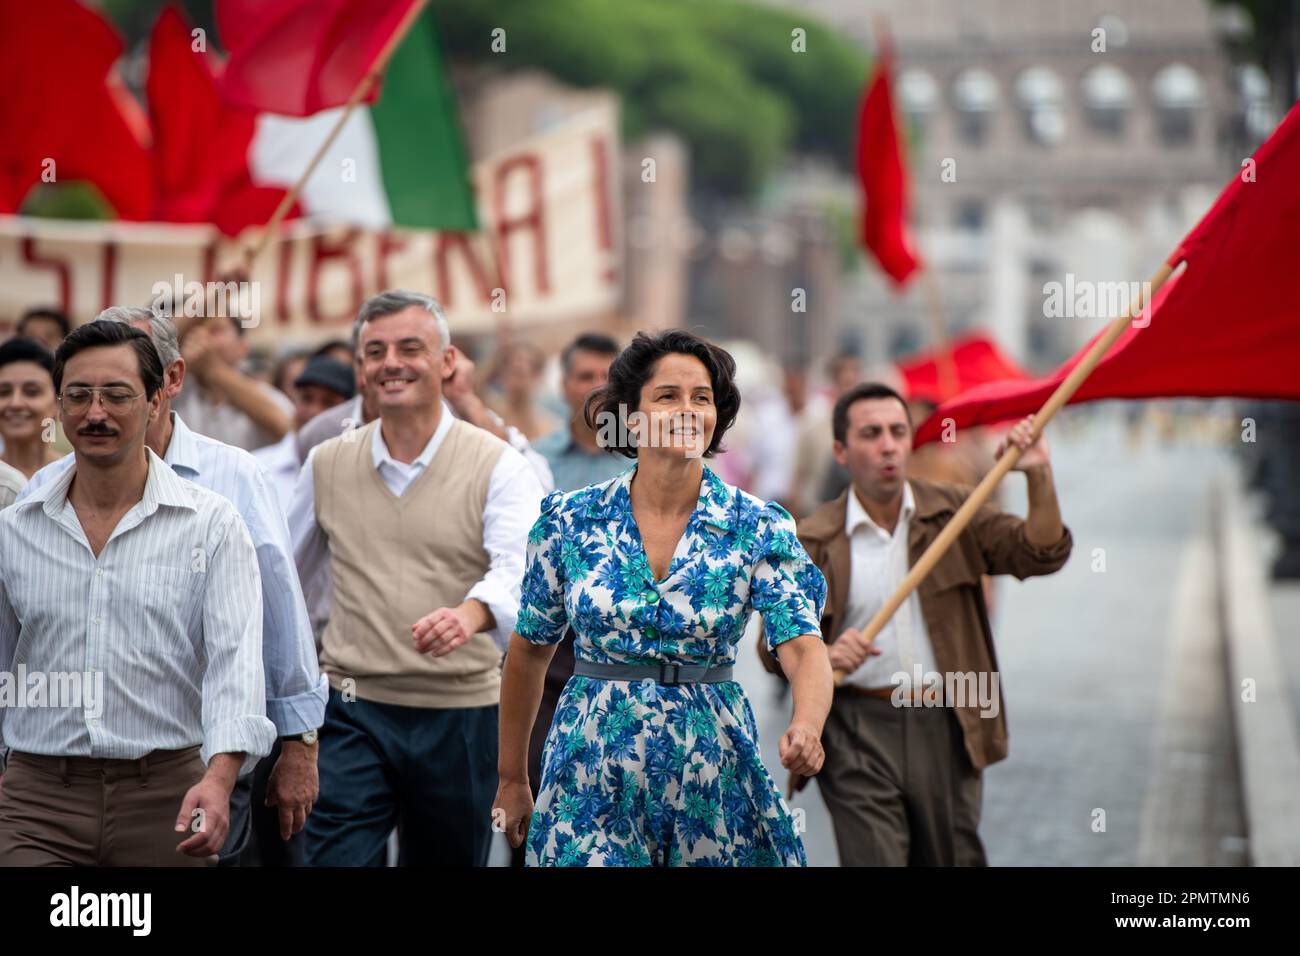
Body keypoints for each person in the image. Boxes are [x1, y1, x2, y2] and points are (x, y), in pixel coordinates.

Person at [495, 329, 833, 867]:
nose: (687, 409)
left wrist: (807, 725)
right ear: (629, 415)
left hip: (712, 766)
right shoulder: (569, 521)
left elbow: (802, 644)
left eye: (701, 398)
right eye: (667, 396)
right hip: (591, 767)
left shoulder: (758, 526)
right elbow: (529, 650)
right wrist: (513, 778)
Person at [17, 307, 327, 867]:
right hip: (46, 785)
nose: (98, 410)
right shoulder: (34, 506)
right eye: (81, 392)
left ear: (164, 387)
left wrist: (299, 743)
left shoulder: (229, 487)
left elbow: (273, 621)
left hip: (197, 759)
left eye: (119, 390)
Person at [760, 382, 1072, 866]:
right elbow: (771, 645)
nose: (887, 444)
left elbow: (1041, 552)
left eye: (897, 431)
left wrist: (1038, 476)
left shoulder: (957, 512)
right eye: (871, 433)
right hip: (856, 729)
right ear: (841, 450)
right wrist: (821, 651)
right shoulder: (813, 538)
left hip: (947, 723)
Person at [290, 290, 544, 866]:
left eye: (410, 347)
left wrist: (470, 614)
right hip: (353, 710)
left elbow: (522, 569)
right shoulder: (327, 462)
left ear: (448, 362)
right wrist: (292, 719)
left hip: (463, 716)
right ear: (361, 369)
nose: (391, 363)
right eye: (374, 351)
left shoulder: (498, 463)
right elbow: (286, 587)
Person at [510, 331, 626, 867]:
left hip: (625, 661)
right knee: (531, 811)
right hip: (550, 659)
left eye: (610, 377)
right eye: (585, 376)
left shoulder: (652, 470)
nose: (598, 388)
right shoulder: (532, 464)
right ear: (564, 385)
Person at [172, 315, 295, 451]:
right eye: (194, 331)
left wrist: (212, 368)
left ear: (243, 347)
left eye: (216, 330)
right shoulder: (175, 393)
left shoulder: (264, 394)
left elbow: (287, 429)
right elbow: (160, 344)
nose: (202, 337)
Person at [255, 352, 354, 511]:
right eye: (307, 398)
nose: (314, 411)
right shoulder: (257, 469)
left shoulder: (359, 474)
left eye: (328, 403)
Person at [0, 338, 65, 478]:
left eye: (31, 392)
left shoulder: (75, 477)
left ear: (57, 402)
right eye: (4, 392)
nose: (15, 403)